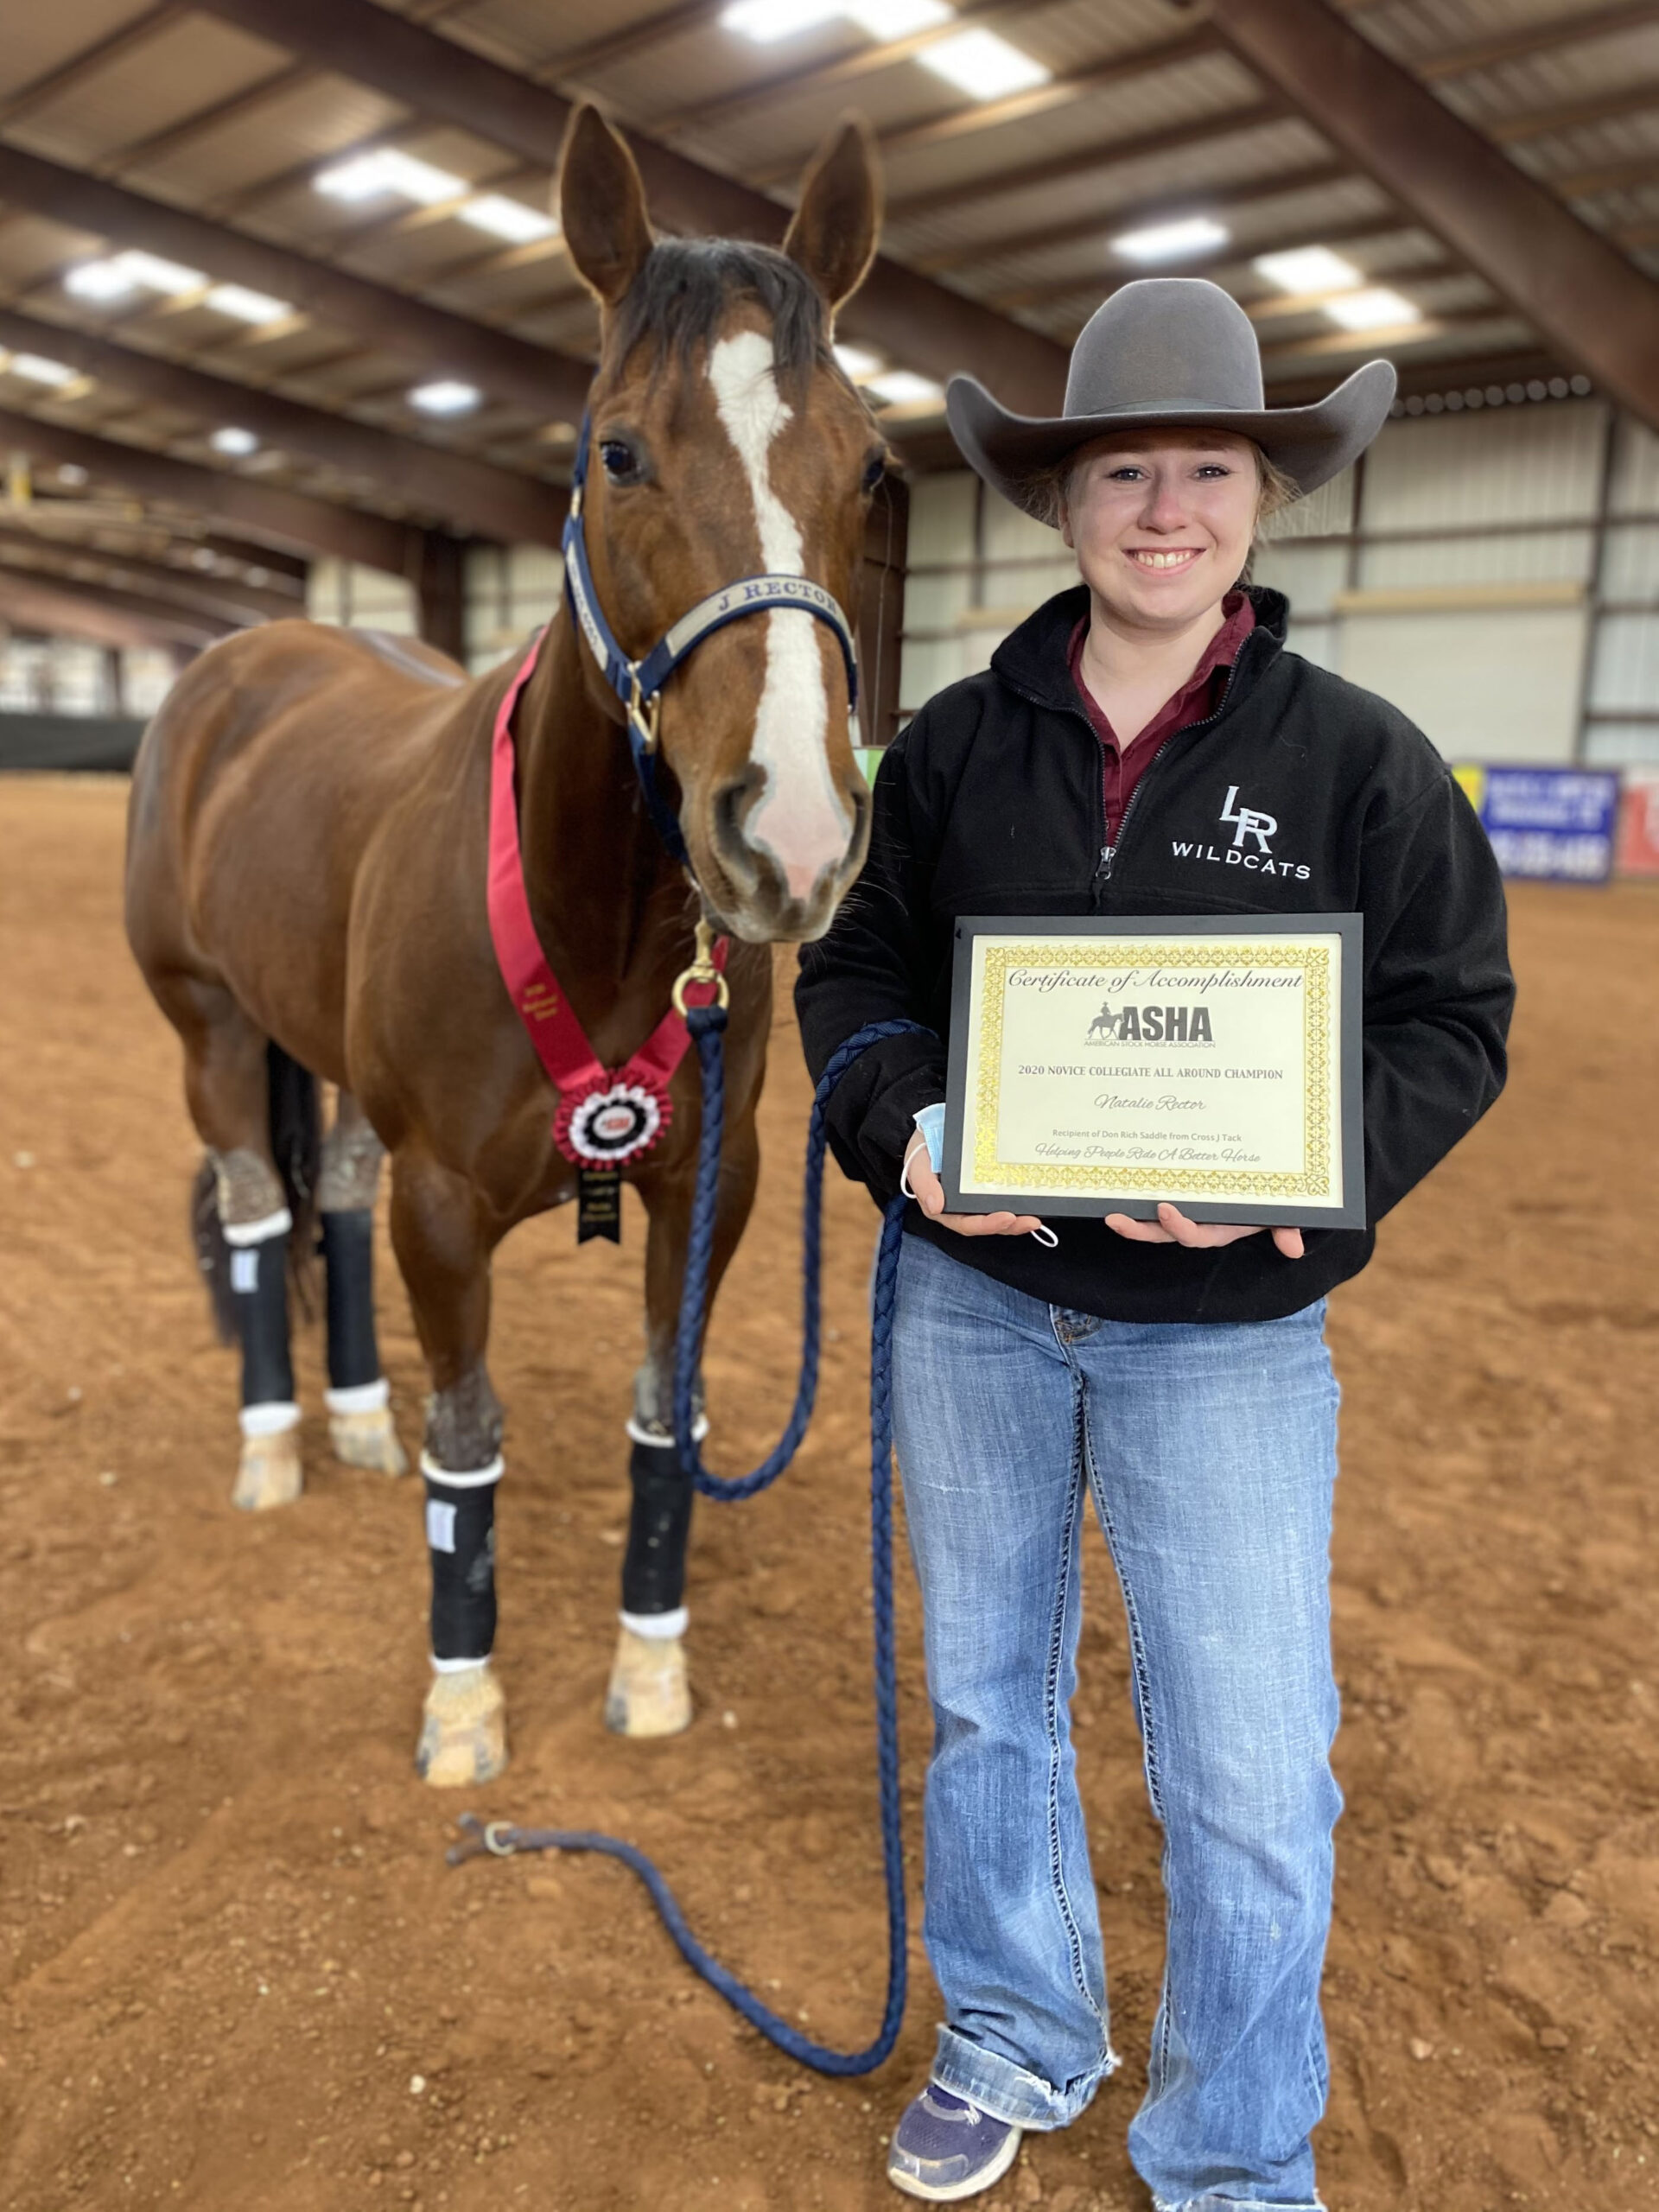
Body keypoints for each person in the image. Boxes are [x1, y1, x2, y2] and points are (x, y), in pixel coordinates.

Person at [796, 278, 1514, 2209]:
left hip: (1229, 1332)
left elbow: (1455, 1018)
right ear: (1064, 502)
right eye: (1125, 469)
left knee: (1254, 1765)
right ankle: (1019, 2028)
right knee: (986, 1703)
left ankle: (1230, 2133)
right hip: (976, 1303)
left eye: (1209, 466)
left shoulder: (1363, 758)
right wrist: (901, 1118)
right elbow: (860, 959)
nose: (1166, 506)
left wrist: (1309, 1162)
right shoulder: (950, 744)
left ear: (1267, 496)